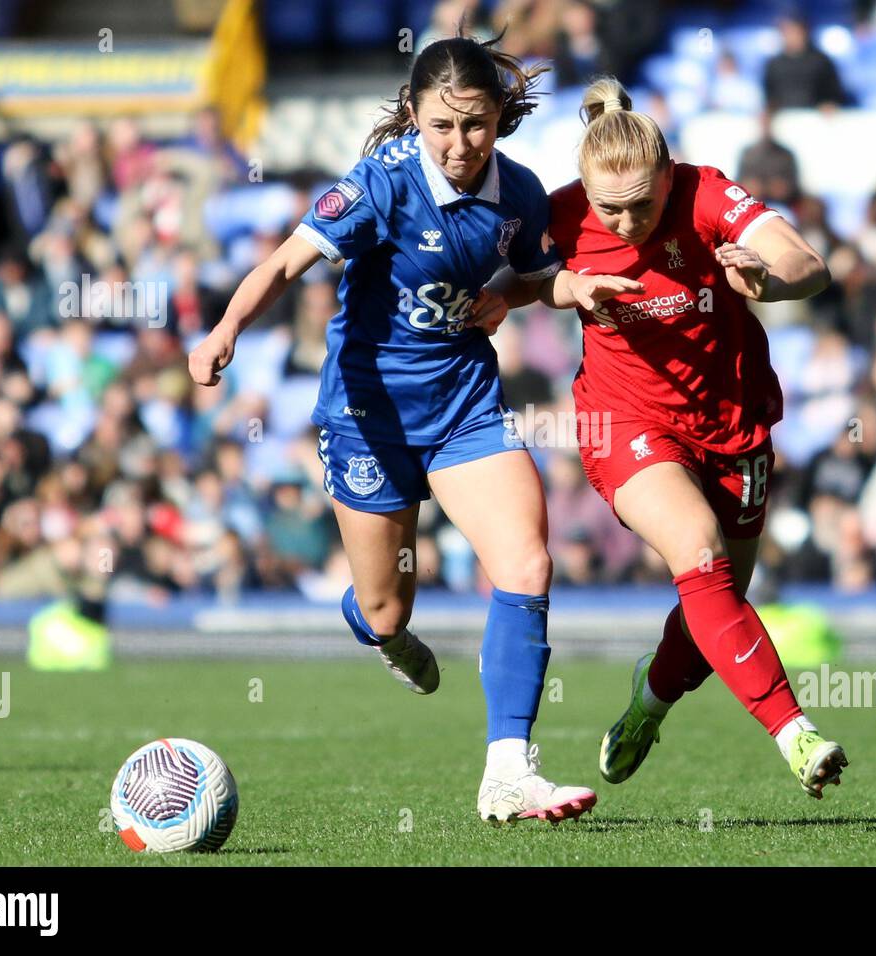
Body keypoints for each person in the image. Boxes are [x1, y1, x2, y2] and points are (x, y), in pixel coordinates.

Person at [188, 34, 631, 825]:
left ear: (499, 116)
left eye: (476, 125)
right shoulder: (380, 185)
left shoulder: (521, 194)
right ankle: (380, 632)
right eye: (441, 126)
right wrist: (226, 330)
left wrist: (558, 288)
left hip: (463, 408)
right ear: (414, 117)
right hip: (368, 421)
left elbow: (531, 280)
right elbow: (286, 264)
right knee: (389, 609)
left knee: (526, 562)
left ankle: (508, 772)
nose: (461, 145)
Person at [489, 77, 847, 800]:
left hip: (734, 424)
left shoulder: (706, 194)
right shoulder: (558, 215)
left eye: (641, 205)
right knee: (699, 552)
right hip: (628, 423)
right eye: (608, 209)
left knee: (717, 603)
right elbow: (509, 283)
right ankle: (795, 733)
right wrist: (546, 291)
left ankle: (649, 703)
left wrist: (767, 280)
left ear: (668, 175)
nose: (624, 223)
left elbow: (809, 264)